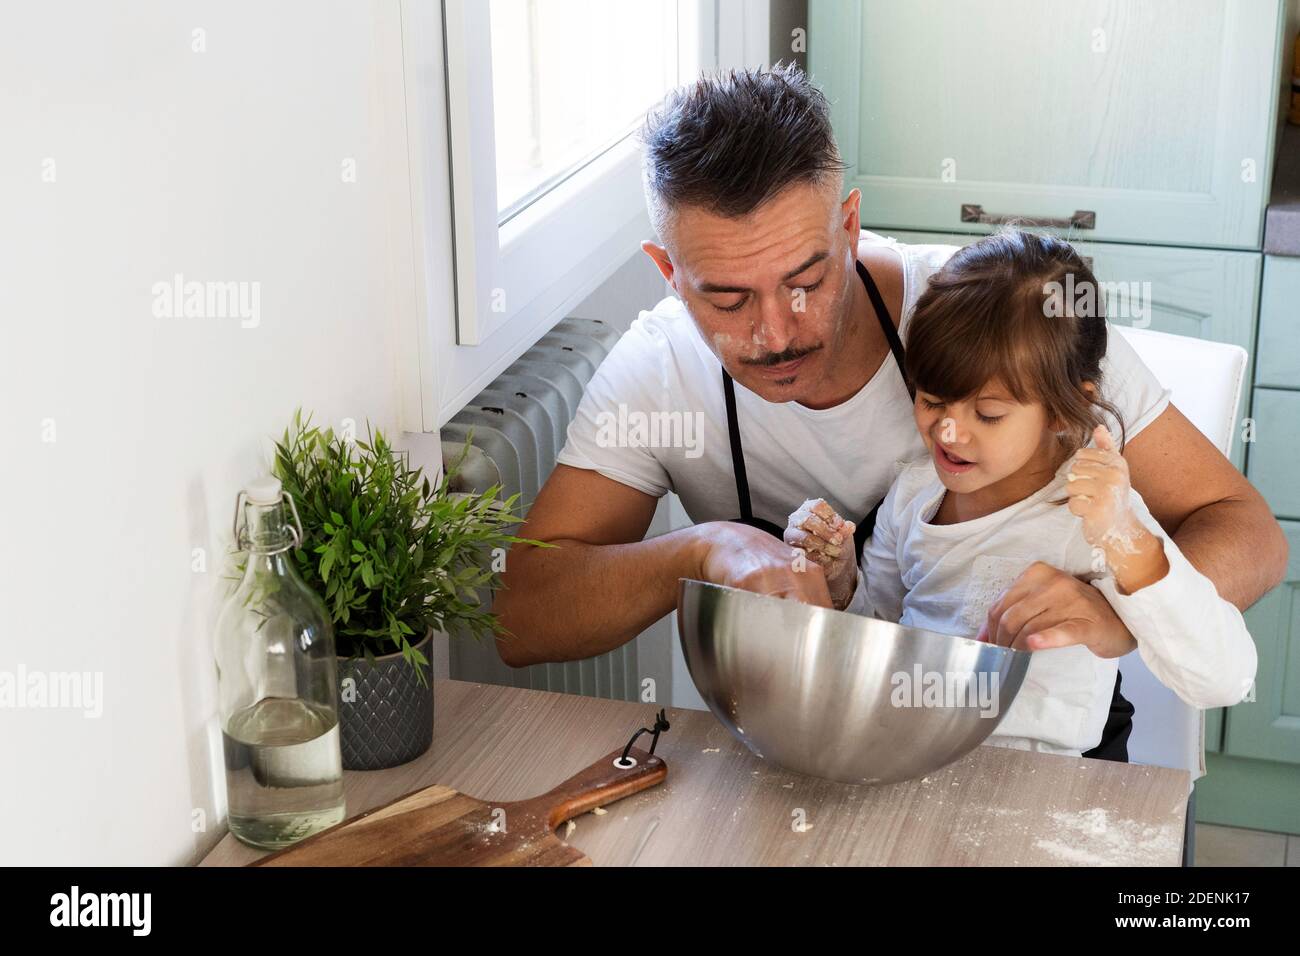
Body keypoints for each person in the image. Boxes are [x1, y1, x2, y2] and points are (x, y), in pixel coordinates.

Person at [493, 65, 1286, 742]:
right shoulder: (655, 370)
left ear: (848, 225)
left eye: (807, 281)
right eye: (727, 299)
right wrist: (703, 552)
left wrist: (1118, 611)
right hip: (806, 743)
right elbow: (523, 620)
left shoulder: (1003, 320)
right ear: (669, 272)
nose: (775, 332)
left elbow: (1246, 531)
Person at [786, 230, 1258, 757]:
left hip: (1042, 787)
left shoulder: (1095, 514)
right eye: (931, 400)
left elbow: (1225, 678)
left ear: (1062, 408)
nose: (948, 434)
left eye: (987, 415)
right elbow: (880, 630)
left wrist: (1129, 543)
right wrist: (840, 580)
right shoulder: (915, 491)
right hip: (908, 758)